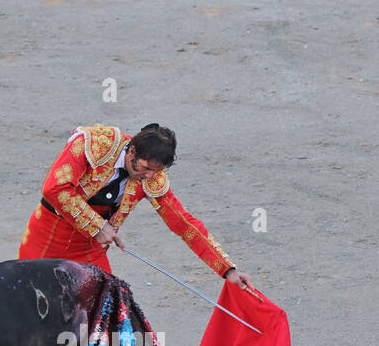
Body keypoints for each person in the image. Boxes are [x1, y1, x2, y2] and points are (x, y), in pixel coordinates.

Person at [18, 123, 253, 289]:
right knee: (30, 306)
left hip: (91, 250)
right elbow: (54, 188)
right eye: (146, 168)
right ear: (131, 151)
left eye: (156, 171)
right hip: (48, 238)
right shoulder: (95, 143)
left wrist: (227, 270)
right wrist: (98, 226)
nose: (149, 176)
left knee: (107, 317)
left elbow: (183, 224)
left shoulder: (153, 178)